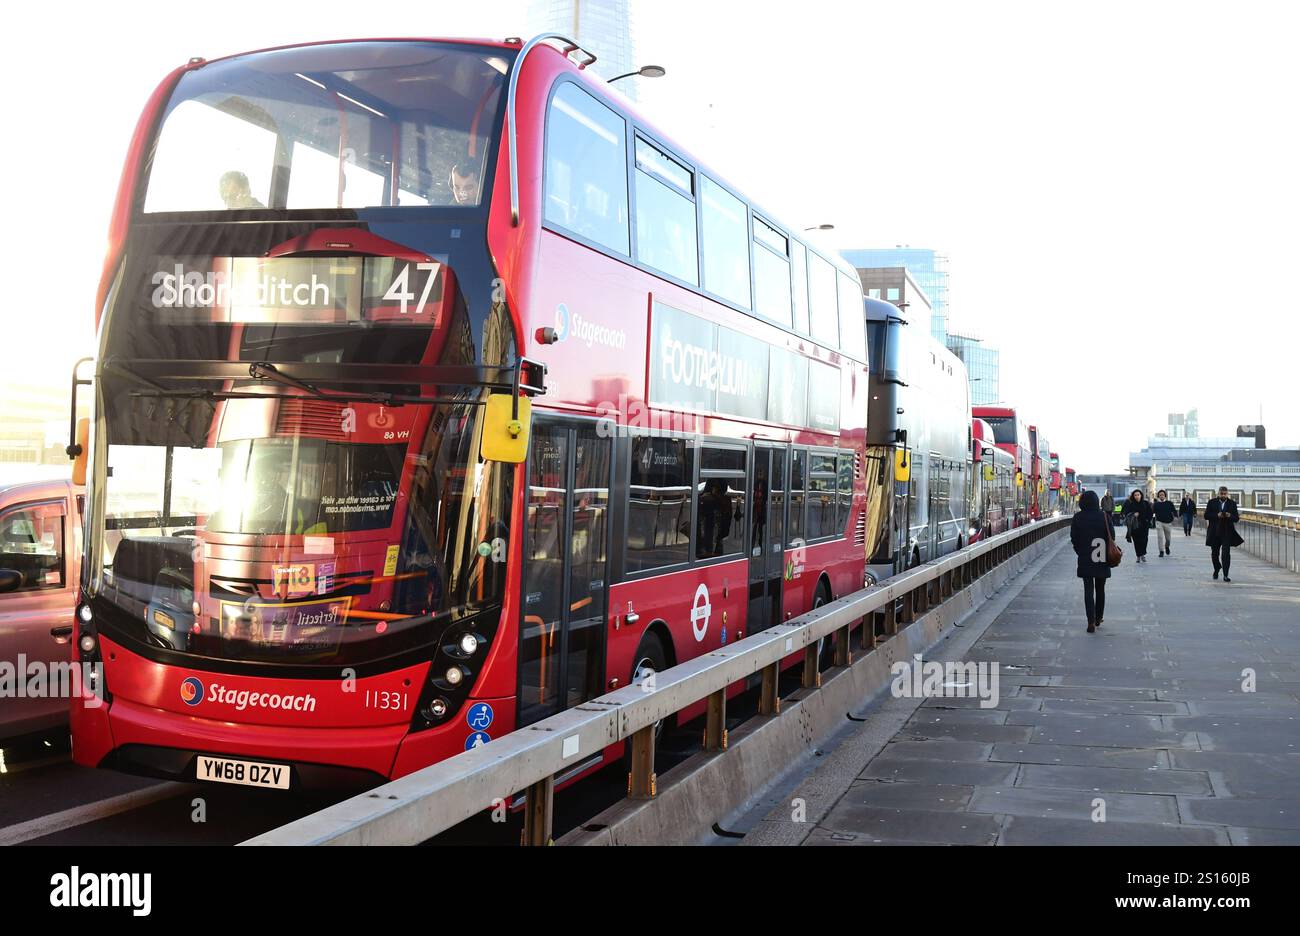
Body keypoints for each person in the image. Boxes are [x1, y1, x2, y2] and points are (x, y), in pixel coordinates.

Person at [1070, 489, 1114, 633]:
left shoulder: (1078, 517)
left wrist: (1080, 552)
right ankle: (1098, 617)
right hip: (1101, 556)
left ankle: (1090, 621)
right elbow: (1111, 536)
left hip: (1085, 557)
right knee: (1100, 589)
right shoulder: (1104, 516)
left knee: (1088, 590)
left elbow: (1074, 538)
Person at [1204, 485, 1243, 582]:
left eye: (1225, 494)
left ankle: (1226, 575)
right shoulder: (1211, 502)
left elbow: (1237, 518)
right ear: (1218, 493)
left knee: (1226, 554)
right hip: (1214, 532)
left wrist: (1230, 516)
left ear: (1227, 494)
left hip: (1227, 532)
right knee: (1214, 554)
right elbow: (1206, 515)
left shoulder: (1232, 503)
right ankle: (1217, 568)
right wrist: (1216, 515)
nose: (1223, 495)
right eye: (1221, 493)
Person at [1123, 490, 1153, 562]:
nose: (1137, 496)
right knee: (1136, 541)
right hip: (1134, 525)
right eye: (1135, 495)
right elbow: (1126, 513)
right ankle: (1138, 556)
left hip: (1144, 525)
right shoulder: (1131, 504)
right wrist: (1133, 514)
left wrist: (1147, 520)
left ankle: (1142, 553)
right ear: (1133, 496)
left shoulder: (1145, 503)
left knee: (1144, 540)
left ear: (1141, 495)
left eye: (1138, 495)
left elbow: (1150, 513)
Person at [1152, 489, 1177, 557]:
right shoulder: (1156, 504)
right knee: (1160, 537)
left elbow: (1174, 510)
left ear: (1165, 496)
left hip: (1168, 522)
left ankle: (1167, 547)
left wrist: (1175, 516)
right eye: (1160, 495)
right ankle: (1161, 551)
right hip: (1159, 522)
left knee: (1168, 539)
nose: (1161, 496)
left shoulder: (1169, 503)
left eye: (1163, 495)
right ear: (1158, 496)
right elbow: (1152, 512)